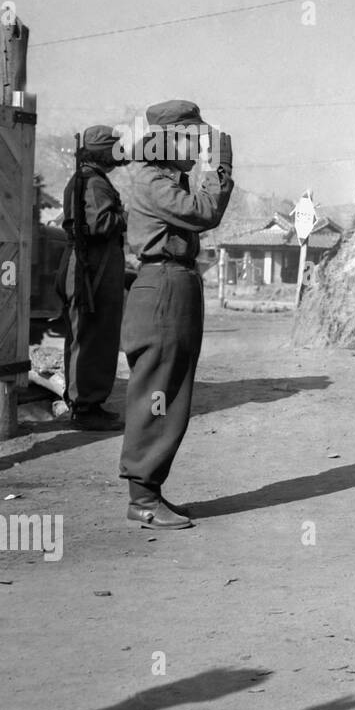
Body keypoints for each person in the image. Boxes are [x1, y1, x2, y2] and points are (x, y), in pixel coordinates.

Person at [119, 100, 233, 530]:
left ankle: (149, 491)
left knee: (172, 390)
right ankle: (143, 496)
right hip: (163, 285)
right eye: (192, 138)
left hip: (175, 282)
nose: (199, 147)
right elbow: (205, 213)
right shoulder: (152, 180)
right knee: (158, 389)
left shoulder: (170, 179)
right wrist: (220, 168)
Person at [59, 124, 128, 432]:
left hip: (86, 264)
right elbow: (101, 224)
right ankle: (86, 407)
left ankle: (85, 403)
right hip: (93, 267)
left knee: (85, 335)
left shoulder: (83, 179)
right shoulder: (94, 183)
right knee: (93, 337)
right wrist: (128, 216)